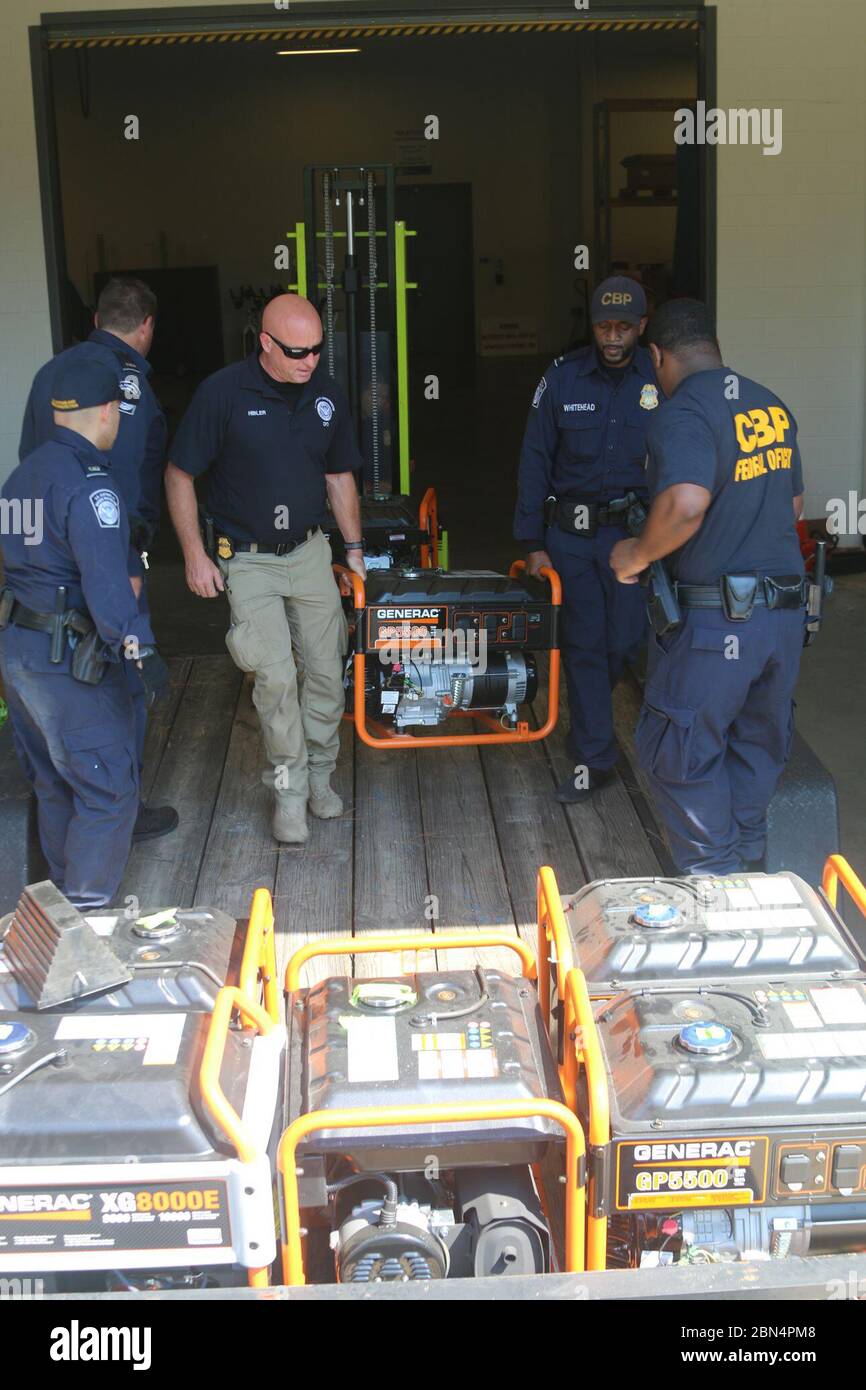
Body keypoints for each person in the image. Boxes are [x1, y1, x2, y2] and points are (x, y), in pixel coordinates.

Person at [610, 298, 806, 875]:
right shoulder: (769, 405)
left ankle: (712, 889)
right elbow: (792, 503)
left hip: (719, 626)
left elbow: (687, 503)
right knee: (755, 752)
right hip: (784, 622)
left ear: (657, 355)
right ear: (714, 349)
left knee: (682, 756)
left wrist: (636, 555)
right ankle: (746, 878)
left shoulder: (683, 411)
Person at [164, 293, 365, 846]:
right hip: (246, 560)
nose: (310, 362)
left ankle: (320, 778)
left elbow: (339, 475)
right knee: (276, 680)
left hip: (308, 552)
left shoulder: (325, 392)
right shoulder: (223, 393)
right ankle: (289, 792)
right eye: (298, 352)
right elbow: (179, 474)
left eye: (318, 350)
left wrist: (352, 549)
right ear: (266, 343)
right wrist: (192, 553)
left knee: (327, 670)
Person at [0, 359, 169, 909]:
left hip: (20, 651)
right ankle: (87, 921)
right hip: (69, 660)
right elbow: (107, 588)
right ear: (106, 412)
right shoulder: (91, 486)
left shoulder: (22, 475)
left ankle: (59, 914)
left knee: (55, 783)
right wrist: (140, 651)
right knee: (108, 791)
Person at [19, 274, 176, 842]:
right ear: (147, 326)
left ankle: (66, 812)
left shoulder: (49, 373)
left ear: (95, 320)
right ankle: (118, 813)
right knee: (120, 677)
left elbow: (28, 464)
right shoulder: (123, 383)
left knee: (59, 678)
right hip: (105, 551)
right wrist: (130, 565)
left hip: (43, 562)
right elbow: (124, 485)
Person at [514, 275, 658, 802]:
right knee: (583, 646)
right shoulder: (562, 378)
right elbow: (534, 459)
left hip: (634, 539)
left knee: (623, 639)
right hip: (571, 539)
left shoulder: (660, 379)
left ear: (642, 326)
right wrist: (532, 541)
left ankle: (596, 714)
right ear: (592, 326)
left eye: (623, 326)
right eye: (604, 326)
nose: (613, 337)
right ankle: (593, 755)